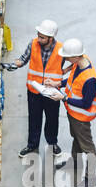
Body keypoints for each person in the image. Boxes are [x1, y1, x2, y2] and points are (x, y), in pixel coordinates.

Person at [4, 19, 68, 163]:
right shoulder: (33, 44)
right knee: (34, 119)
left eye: (42, 37)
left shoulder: (61, 48)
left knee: (52, 119)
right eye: (38, 35)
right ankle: (32, 145)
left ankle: (52, 143)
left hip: (51, 92)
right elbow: (23, 59)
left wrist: (63, 74)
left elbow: (70, 63)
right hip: (34, 91)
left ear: (51, 38)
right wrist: (12, 64)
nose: (39, 39)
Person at [56, 38, 96, 187]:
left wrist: (64, 98)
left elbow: (86, 104)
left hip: (81, 118)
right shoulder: (80, 62)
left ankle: (91, 178)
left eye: (67, 57)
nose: (65, 60)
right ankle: (75, 163)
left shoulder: (90, 80)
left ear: (75, 57)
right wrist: (58, 84)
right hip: (73, 113)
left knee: (88, 148)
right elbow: (73, 80)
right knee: (77, 139)